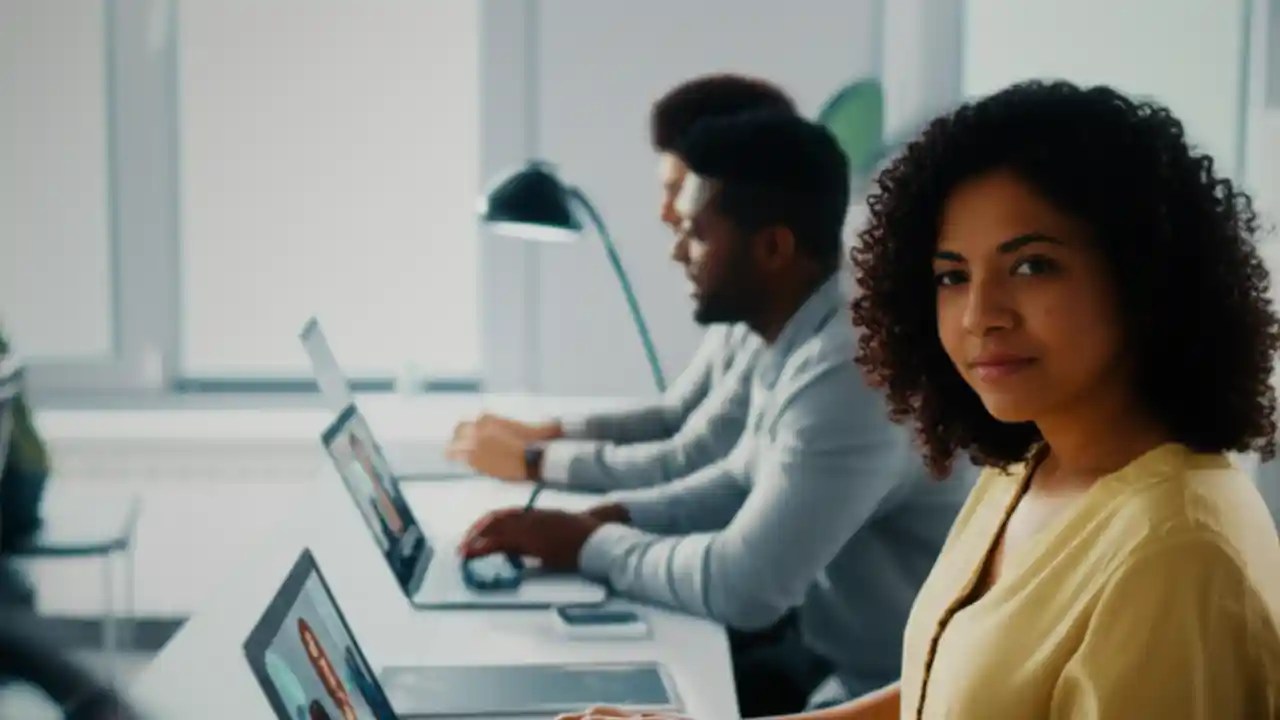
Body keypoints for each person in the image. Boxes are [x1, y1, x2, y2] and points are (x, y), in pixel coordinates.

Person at [560, 81, 1280, 720]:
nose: (980, 315)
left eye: (1033, 266)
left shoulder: (1177, 557)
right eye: (952, 276)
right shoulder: (1027, 463)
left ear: (1145, 276)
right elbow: (941, 696)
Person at [461, 112, 969, 714]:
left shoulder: (852, 370)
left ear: (773, 247)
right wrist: (614, 516)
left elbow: (745, 587)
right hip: (843, 669)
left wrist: (591, 544)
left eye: (697, 233)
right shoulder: (802, 336)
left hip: (897, 696)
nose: (677, 251)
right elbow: (738, 480)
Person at [446, 74, 796, 493]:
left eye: (681, 191)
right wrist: (546, 434)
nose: (667, 213)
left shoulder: (782, 315)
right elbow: (673, 417)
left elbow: (695, 455)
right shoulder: (741, 302)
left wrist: (534, 460)